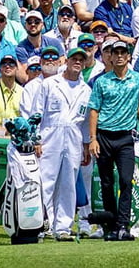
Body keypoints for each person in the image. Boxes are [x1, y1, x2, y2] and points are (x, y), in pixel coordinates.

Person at [87, 41, 139, 241]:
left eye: (123, 52)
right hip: (103, 136)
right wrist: (92, 138)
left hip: (126, 137)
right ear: (110, 57)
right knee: (106, 182)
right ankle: (111, 225)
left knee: (126, 181)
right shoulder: (102, 81)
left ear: (129, 56)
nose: (119, 56)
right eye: (115, 52)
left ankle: (123, 225)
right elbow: (93, 110)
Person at [34, 47, 91, 241]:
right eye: (74, 58)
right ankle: (40, 223)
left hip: (74, 138)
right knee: (46, 181)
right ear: (66, 61)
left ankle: (63, 227)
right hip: (50, 135)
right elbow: (37, 113)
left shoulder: (86, 90)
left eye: (81, 60)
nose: (77, 62)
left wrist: (85, 145)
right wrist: (36, 139)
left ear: (84, 64)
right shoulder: (50, 84)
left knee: (68, 184)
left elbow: (85, 123)